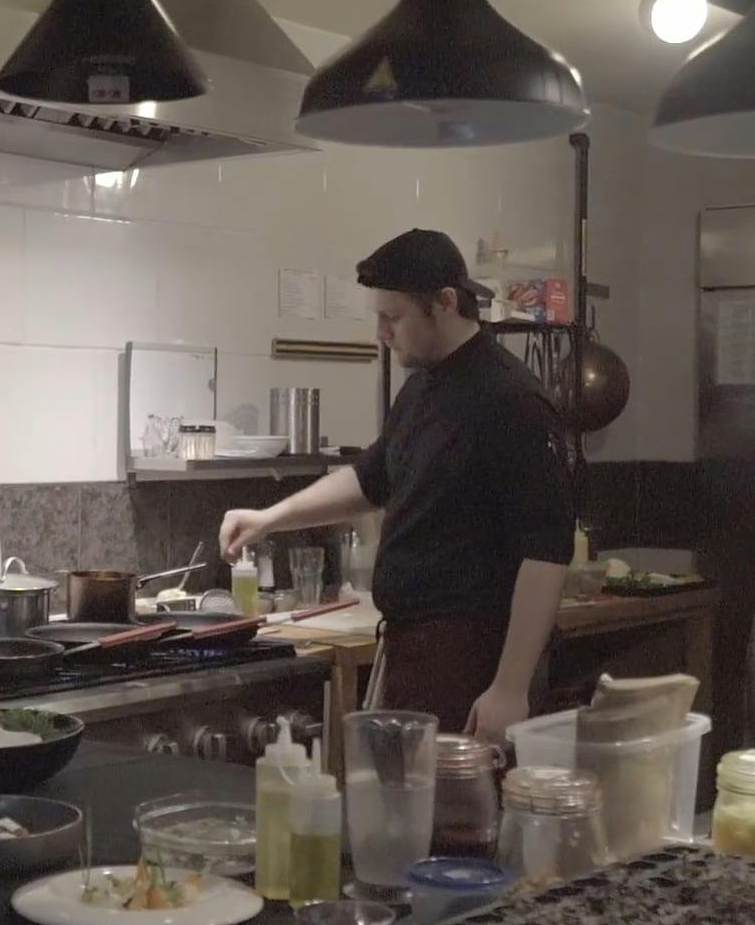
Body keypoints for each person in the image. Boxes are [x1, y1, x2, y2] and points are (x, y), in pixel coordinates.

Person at [218, 229, 574, 742]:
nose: (382, 332)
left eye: (393, 317)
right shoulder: (423, 385)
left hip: (474, 657)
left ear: (445, 302)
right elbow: (371, 478)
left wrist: (510, 687)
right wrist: (269, 519)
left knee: (460, 798)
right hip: (415, 651)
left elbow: (546, 551)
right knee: (404, 795)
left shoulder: (510, 398)